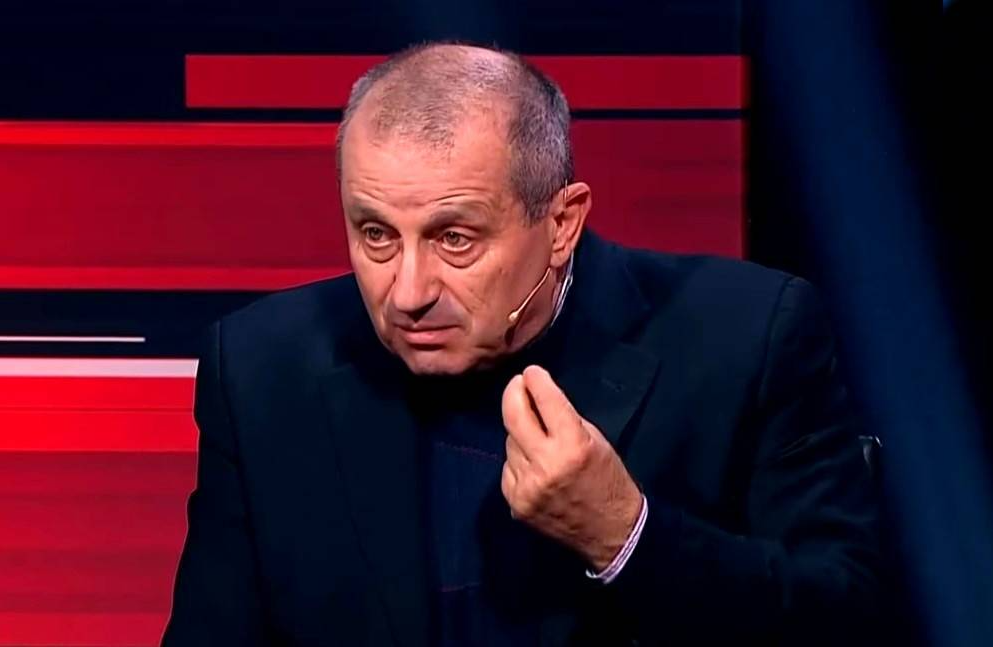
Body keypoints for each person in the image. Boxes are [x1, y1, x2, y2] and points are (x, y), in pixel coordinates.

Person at [162, 42, 879, 646]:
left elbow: (846, 618)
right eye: (376, 234)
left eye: (455, 238)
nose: (407, 291)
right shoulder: (262, 369)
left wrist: (626, 536)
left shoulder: (746, 337)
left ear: (562, 224)